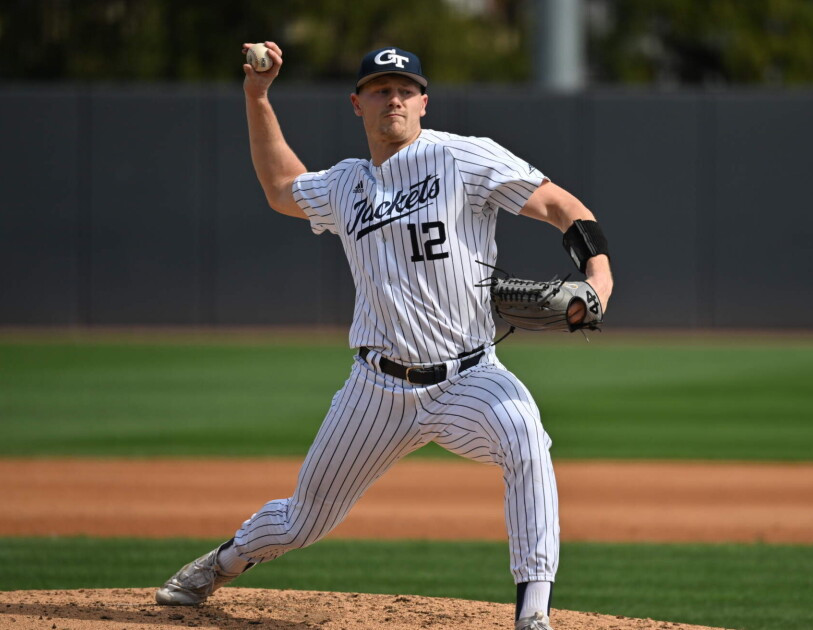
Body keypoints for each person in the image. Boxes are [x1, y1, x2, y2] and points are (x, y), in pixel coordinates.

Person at [152, 43, 614, 630]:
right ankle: (221, 563)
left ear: (423, 101)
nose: (392, 98)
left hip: (470, 376)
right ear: (357, 104)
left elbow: (558, 204)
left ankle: (533, 615)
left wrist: (599, 275)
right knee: (303, 520)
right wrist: (257, 96)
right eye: (378, 89)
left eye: (403, 89)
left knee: (526, 440)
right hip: (377, 388)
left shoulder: (466, 158)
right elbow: (279, 187)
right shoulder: (345, 185)